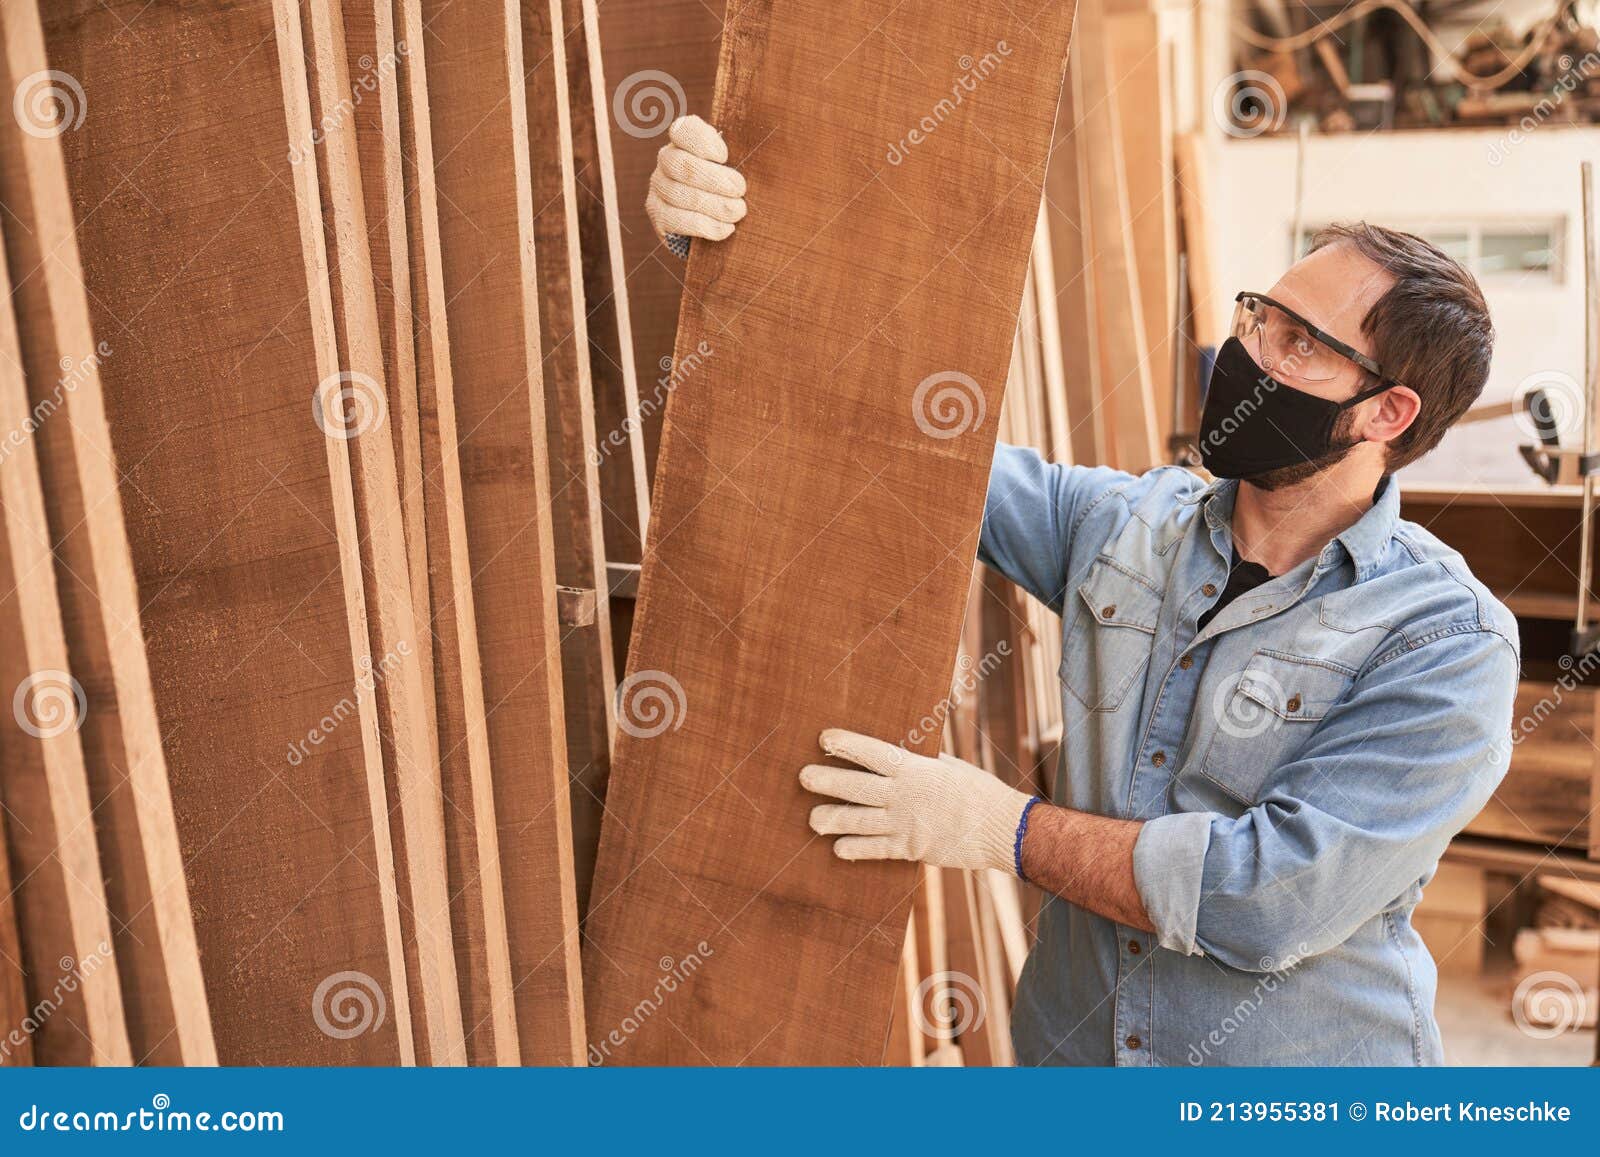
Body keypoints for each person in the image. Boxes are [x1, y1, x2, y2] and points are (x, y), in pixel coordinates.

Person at [646, 115, 1519, 1066]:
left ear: (1386, 413)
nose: (1254, 357)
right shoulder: (1123, 524)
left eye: (1301, 345)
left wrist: (1001, 829)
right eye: (1259, 319)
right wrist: (732, 259)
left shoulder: (1444, 639)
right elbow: (896, 437)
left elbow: (1271, 897)